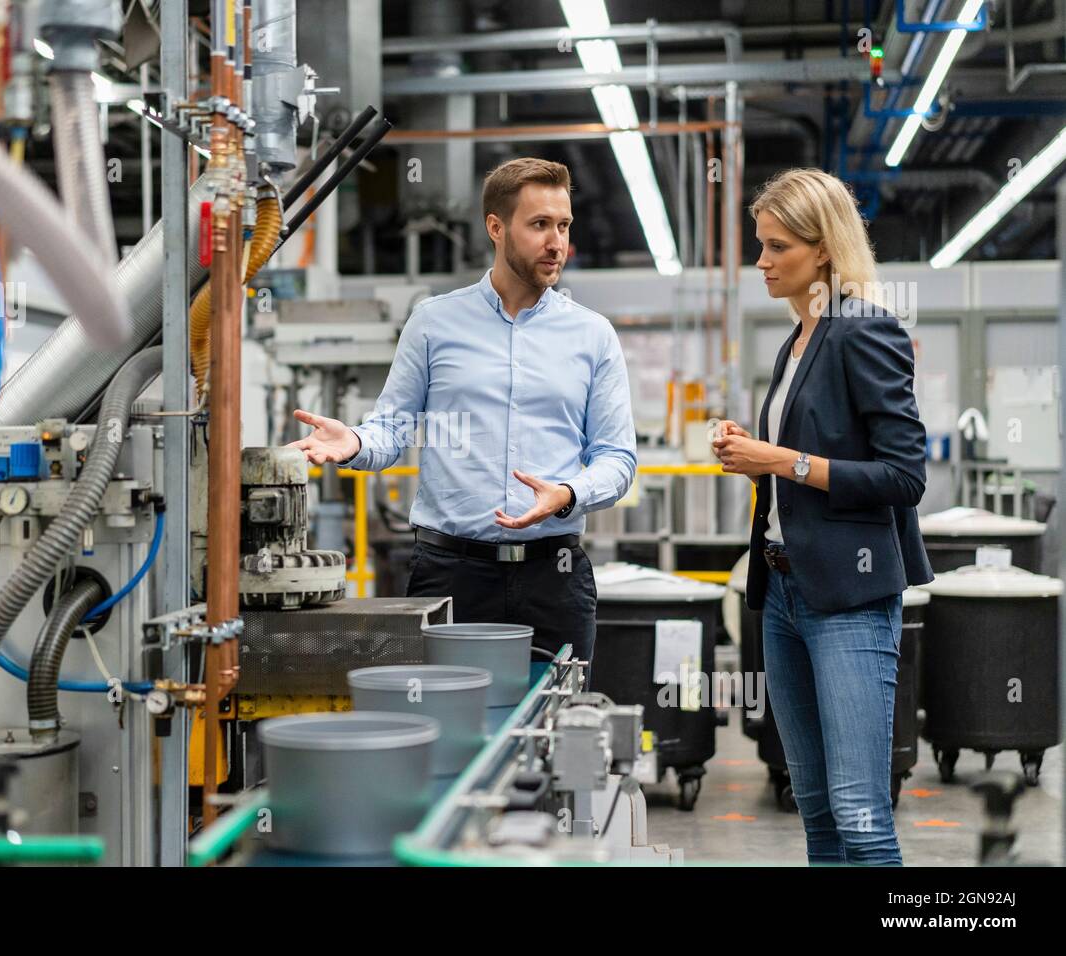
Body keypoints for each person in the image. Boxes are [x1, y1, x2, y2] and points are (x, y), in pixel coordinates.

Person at [287, 157, 637, 662]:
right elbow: (392, 428)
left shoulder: (593, 335)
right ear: (496, 227)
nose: (556, 242)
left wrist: (568, 493)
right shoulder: (434, 323)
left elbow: (617, 459)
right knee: (445, 724)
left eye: (563, 225)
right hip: (451, 574)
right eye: (539, 224)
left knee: (557, 729)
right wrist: (355, 443)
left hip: (554, 575)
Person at [712, 168, 934, 865]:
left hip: (848, 598)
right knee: (816, 811)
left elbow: (904, 477)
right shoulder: (799, 339)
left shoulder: (864, 331)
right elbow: (809, 446)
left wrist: (780, 461)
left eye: (777, 247)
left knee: (862, 817)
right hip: (782, 592)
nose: (762, 262)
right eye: (761, 245)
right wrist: (751, 449)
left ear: (825, 251)